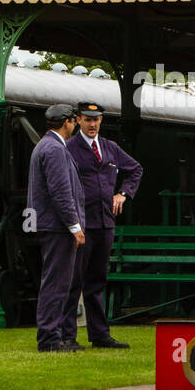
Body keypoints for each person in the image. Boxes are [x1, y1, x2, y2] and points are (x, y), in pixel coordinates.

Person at [63, 102, 142, 349]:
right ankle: (67, 336)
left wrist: (123, 194)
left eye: (96, 120)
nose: (92, 124)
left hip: (105, 223)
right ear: (78, 121)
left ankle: (100, 335)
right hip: (82, 224)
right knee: (74, 281)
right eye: (87, 120)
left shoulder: (110, 148)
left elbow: (136, 170)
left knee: (97, 280)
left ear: (101, 121)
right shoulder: (69, 149)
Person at [27, 104, 86, 352]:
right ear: (67, 123)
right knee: (56, 283)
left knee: (54, 281)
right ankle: (50, 339)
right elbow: (61, 192)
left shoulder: (45, 145)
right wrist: (75, 226)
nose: (76, 125)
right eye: (74, 120)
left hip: (48, 224)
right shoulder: (54, 149)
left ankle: (53, 335)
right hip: (58, 226)